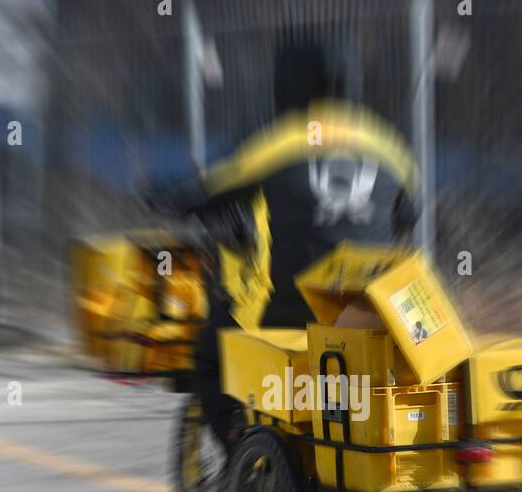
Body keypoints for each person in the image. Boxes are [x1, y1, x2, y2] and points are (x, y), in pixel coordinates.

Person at [176, 37, 420, 450]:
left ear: (288, 86)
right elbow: (410, 216)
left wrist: (162, 197)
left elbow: (209, 193)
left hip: (293, 314)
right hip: (373, 314)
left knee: (210, 352)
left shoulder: (281, 141)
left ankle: (247, 461)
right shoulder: (391, 146)